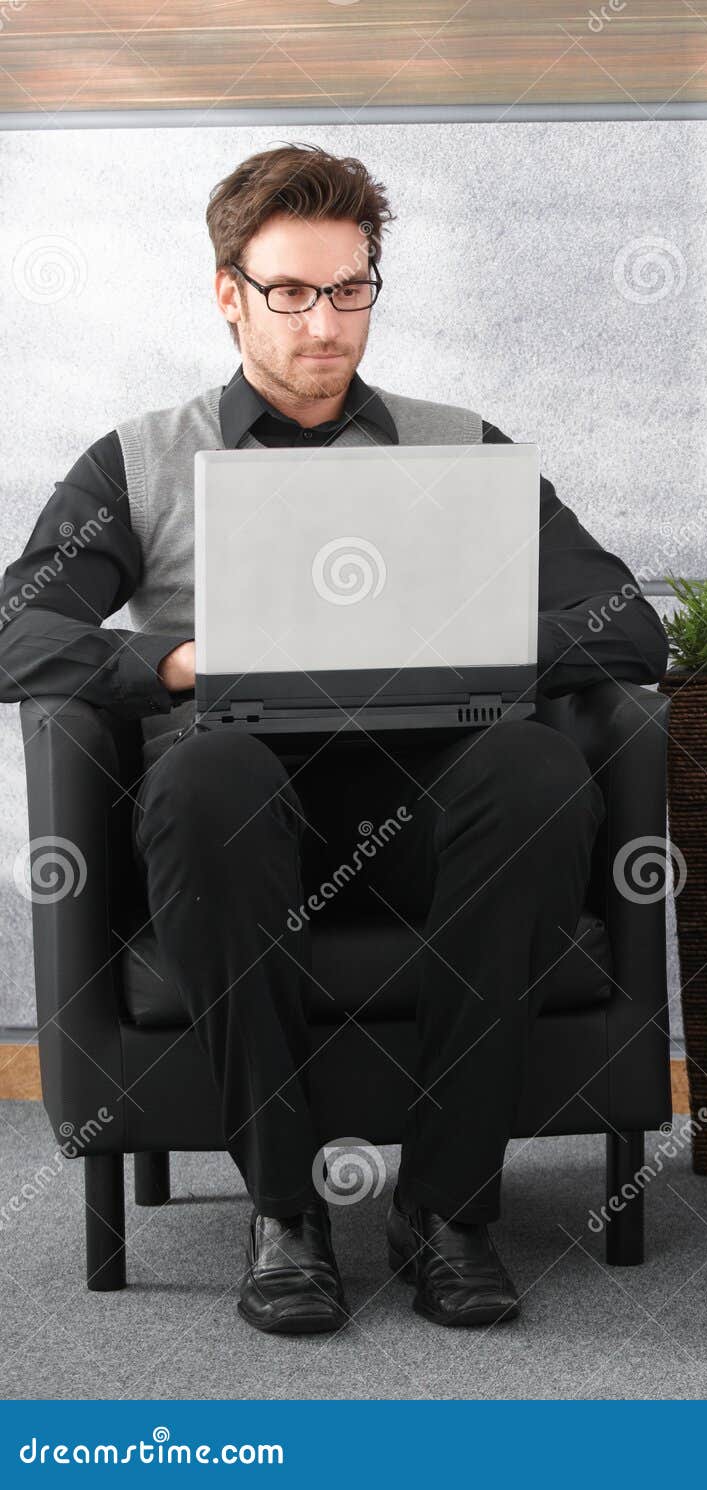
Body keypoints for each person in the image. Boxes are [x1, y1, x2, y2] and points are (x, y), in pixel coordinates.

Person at [0, 143, 668, 1335]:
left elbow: (629, 626)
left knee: (534, 766)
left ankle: (448, 1210)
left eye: (349, 289)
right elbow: (16, 628)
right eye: (291, 293)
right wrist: (166, 663)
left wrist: (476, 645)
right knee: (208, 773)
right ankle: (288, 1211)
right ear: (229, 294)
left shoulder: (457, 445)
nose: (324, 323)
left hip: (424, 810)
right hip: (234, 819)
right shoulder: (140, 459)